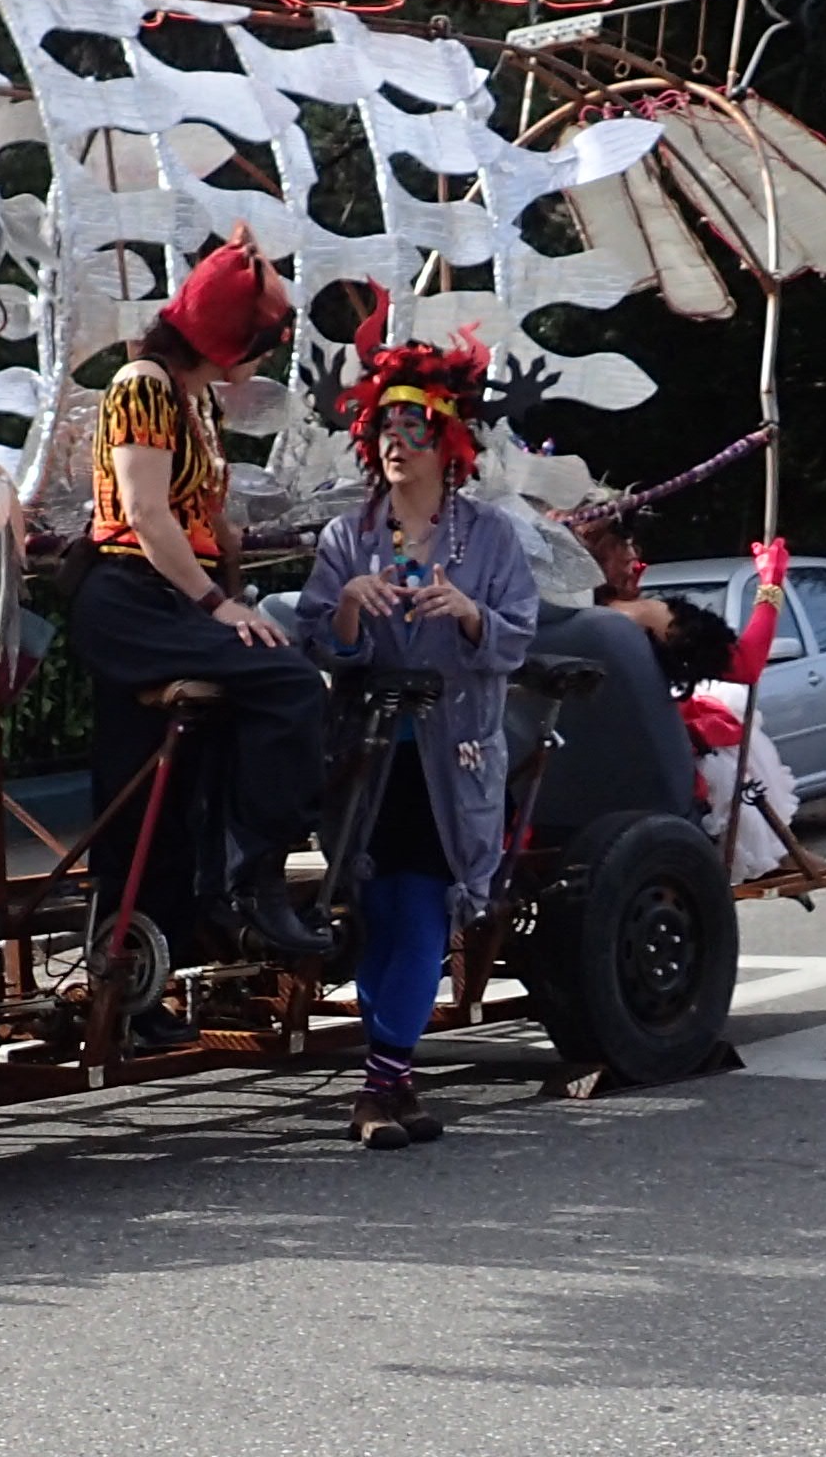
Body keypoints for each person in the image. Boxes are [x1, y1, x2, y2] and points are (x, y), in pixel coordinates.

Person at [293, 324, 536, 1150]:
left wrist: (470, 615)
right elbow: (322, 643)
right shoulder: (344, 539)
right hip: (367, 756)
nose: (398, 445)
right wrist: (353, 608)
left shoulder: (491, 539)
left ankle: (381, 1080)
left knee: (426, 905)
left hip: (452, 755)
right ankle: (393, 1080)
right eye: (385, 432)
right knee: (380, 908)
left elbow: (519, 638)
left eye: (415, 430)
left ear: (448, 440)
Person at [67, 228, 333, 964]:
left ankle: (148, 964)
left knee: (159, 790)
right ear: (227, 335)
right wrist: (221, 608)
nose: (266, 357)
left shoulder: (194, 402)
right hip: (129, 598)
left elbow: (209, 521)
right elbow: (147, 515)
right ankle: (256, 878)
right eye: (261, 341)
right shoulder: (143, 385)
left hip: (167, 597)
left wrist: (233, 580)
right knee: (290, 684)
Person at [612, 539, 799, 874]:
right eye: (617, 544)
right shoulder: (643, 614)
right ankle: (781, 854)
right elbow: (744, 664)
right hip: (647, 751)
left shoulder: (537, 608)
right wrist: (770, 588)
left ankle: (785, 852)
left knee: (719, 716)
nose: (633, 556)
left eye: (632, 544)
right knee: (727, 733)